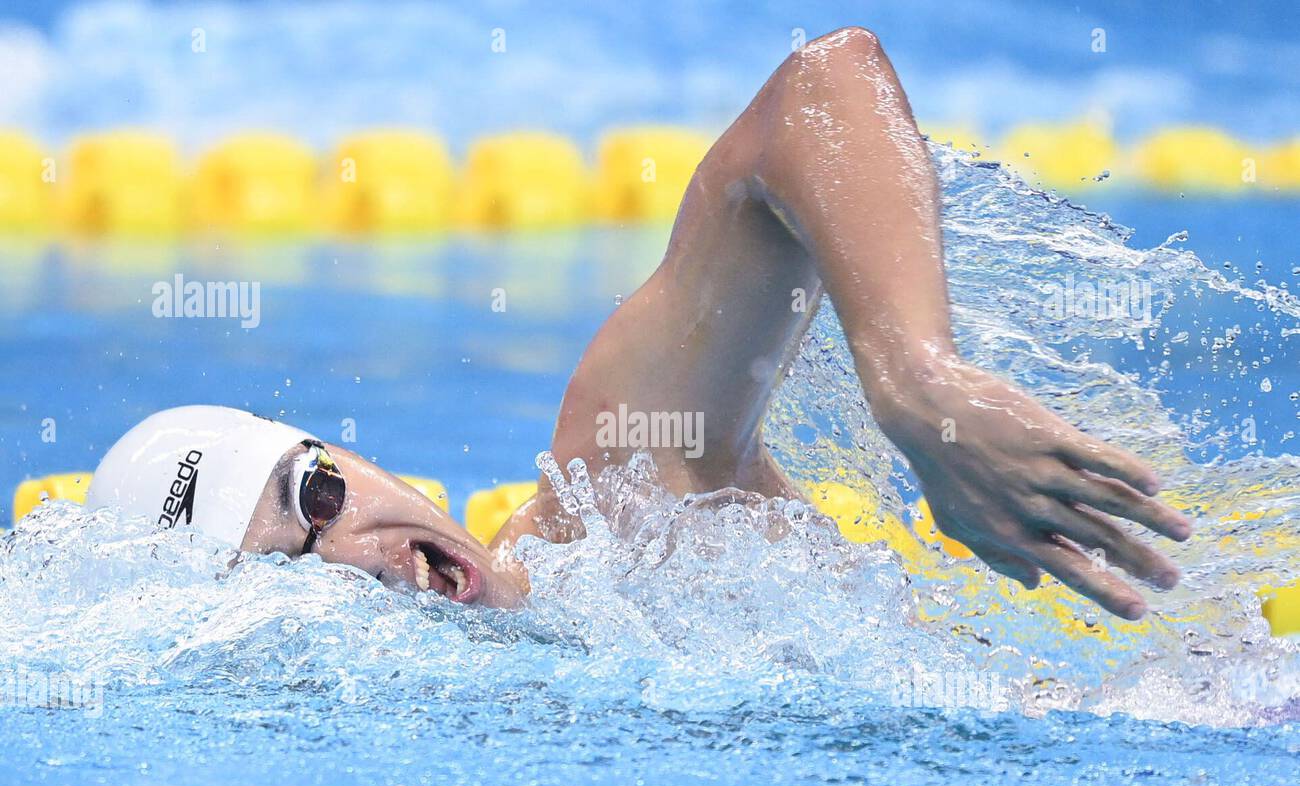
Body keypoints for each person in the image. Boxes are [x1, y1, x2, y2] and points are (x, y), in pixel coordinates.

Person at [85, 27, 1191, 619]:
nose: (352, 565)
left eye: (315, 494)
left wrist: (915, 380)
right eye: (285, 584)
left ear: (354, 457)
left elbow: (822, 91)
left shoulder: (611, 503)